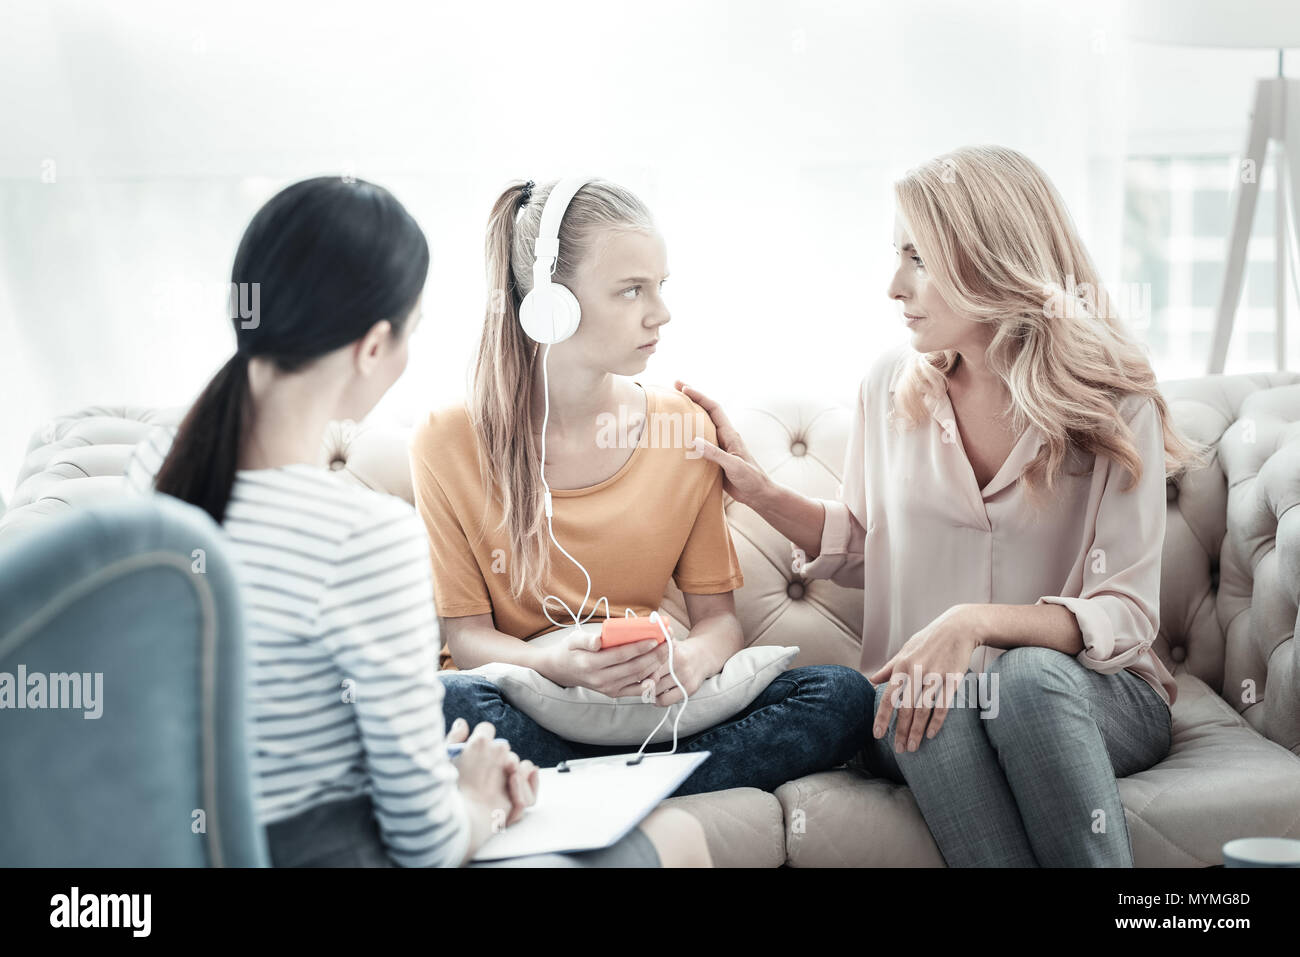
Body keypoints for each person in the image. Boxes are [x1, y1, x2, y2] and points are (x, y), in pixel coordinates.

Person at [124, 175, 708, 867]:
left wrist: (443, 766)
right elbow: (426, 843)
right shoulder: (367, 537)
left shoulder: (154, 467)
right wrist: (478, 798)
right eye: (412, 332)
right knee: (679, 839)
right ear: (374, 347)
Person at [681, 145, 1209, 866]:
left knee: (1024, 678)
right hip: (928, 704)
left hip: (1092, 701)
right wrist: (762, 493)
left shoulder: (1114, 401)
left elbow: (1122, 613)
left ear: (994, 259)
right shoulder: (888, 387)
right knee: (922, 696)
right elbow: (866, 546)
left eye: (917, 256)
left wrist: (975, 624)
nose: (893, 285)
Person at [410, 177, 874, 796]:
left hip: (655, 711)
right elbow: (467, 639)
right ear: (551, 305)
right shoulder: (447, 440)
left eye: (660, 287)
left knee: (840, 697)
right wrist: (553, 661)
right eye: (631, 291)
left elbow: (719, 624)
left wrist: (691, 662)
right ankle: (647, 782)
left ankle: (588, 785)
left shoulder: (683, 426)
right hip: (525, 699)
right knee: (444, 701)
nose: (661, 313)